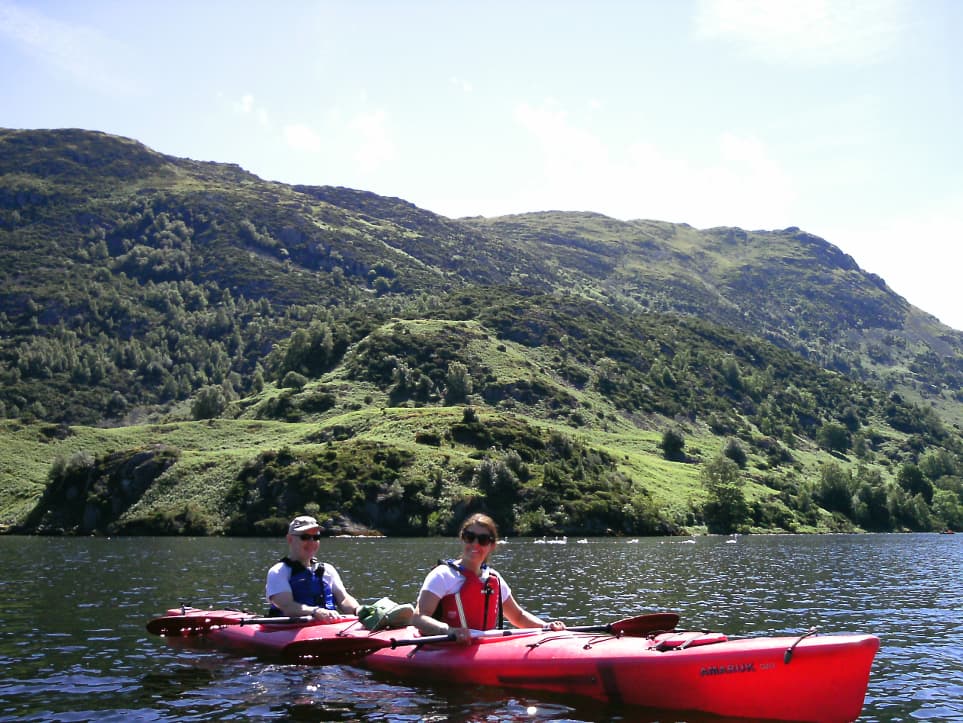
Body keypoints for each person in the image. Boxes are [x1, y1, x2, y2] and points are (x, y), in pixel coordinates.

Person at [412, 512, 566, 643]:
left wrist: (546, 627)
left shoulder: (494, 578)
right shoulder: (442, 575)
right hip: (448, 646)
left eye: (483, 540)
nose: (475, 544)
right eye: (470, 537)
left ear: (491, 545)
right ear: (462, 538)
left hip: (485, 648)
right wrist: (449, 631)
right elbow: (418, 618)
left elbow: (518, 616)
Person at [265, 515, 360, 621]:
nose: (311, 542)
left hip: (328, 628)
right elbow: (287, 606)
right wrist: (315, 611)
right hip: (289, 630)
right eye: (305, 537)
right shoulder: (278, 571)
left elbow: (343, 599)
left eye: (316, 537)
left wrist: (358, 610)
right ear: (290, 539)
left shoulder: (328, 570)